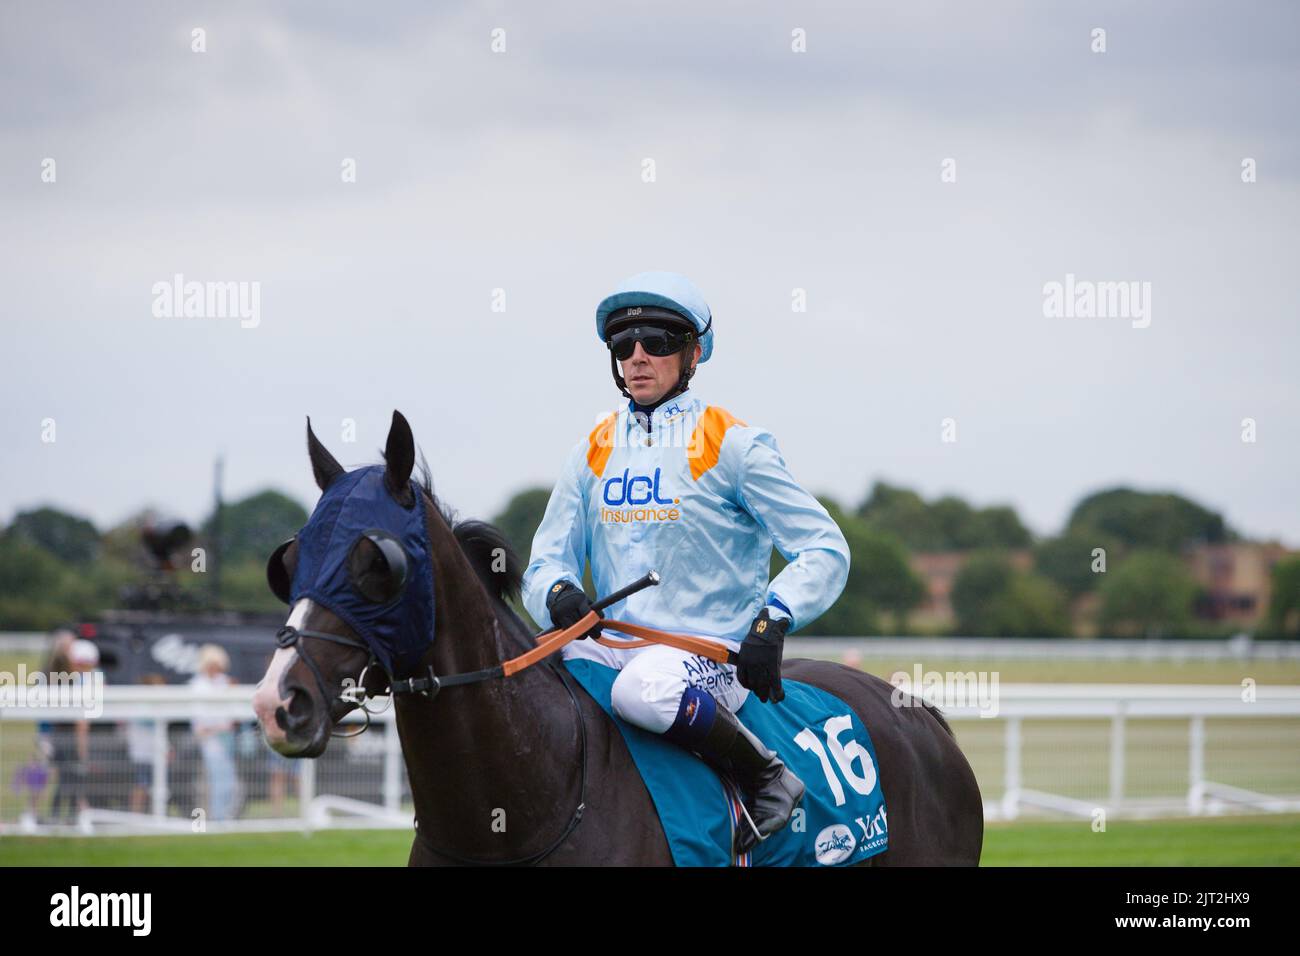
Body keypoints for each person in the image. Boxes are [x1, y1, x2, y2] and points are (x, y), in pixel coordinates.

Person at [522, 271, 850, 853]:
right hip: (611, 647)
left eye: (658, 342)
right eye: (624, 346)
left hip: (707, 657)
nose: (638, 357)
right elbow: (545, 561)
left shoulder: (735, 444)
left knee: (641, 692)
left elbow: (823, 548)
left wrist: (774, 619)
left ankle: (767, 775)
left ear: (694, 353)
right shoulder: (592, 447)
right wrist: (558, 594)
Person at [190, 644, 240, 820]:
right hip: (210, 739)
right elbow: (200, 718)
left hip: (226, 737)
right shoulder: (198, 684)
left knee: (228, 780)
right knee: (219, 780)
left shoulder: (224, 682)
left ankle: (225, 816)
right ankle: (218, 819)